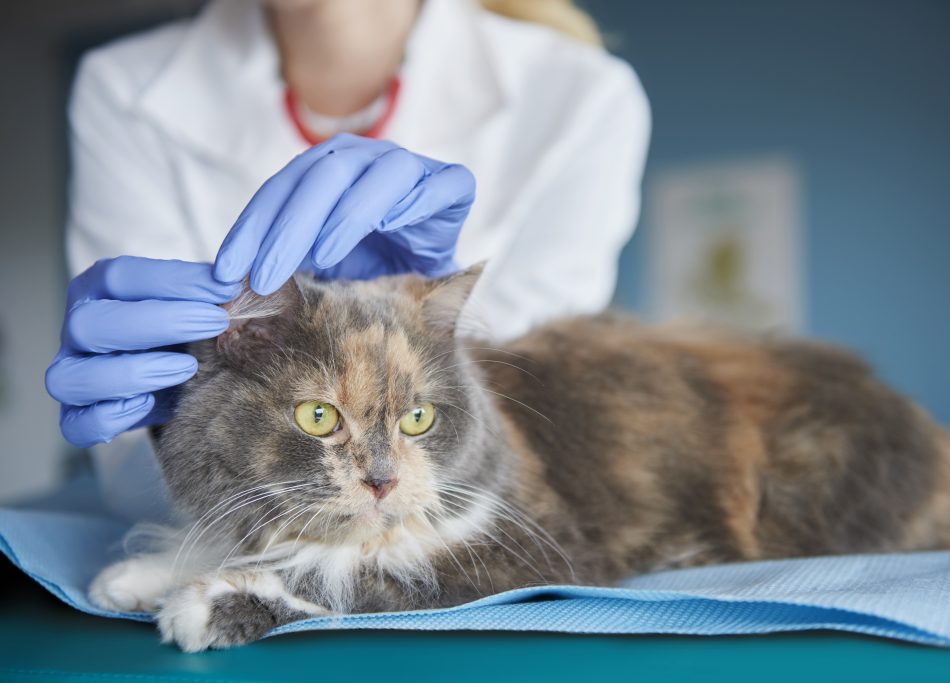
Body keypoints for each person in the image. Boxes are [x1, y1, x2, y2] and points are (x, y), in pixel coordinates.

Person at [45, 0, 650, 519]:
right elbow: (133, 485)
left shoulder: (585, 96)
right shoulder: (122, 87)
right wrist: (168, 420)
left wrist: (419, 320)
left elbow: (523, 436)